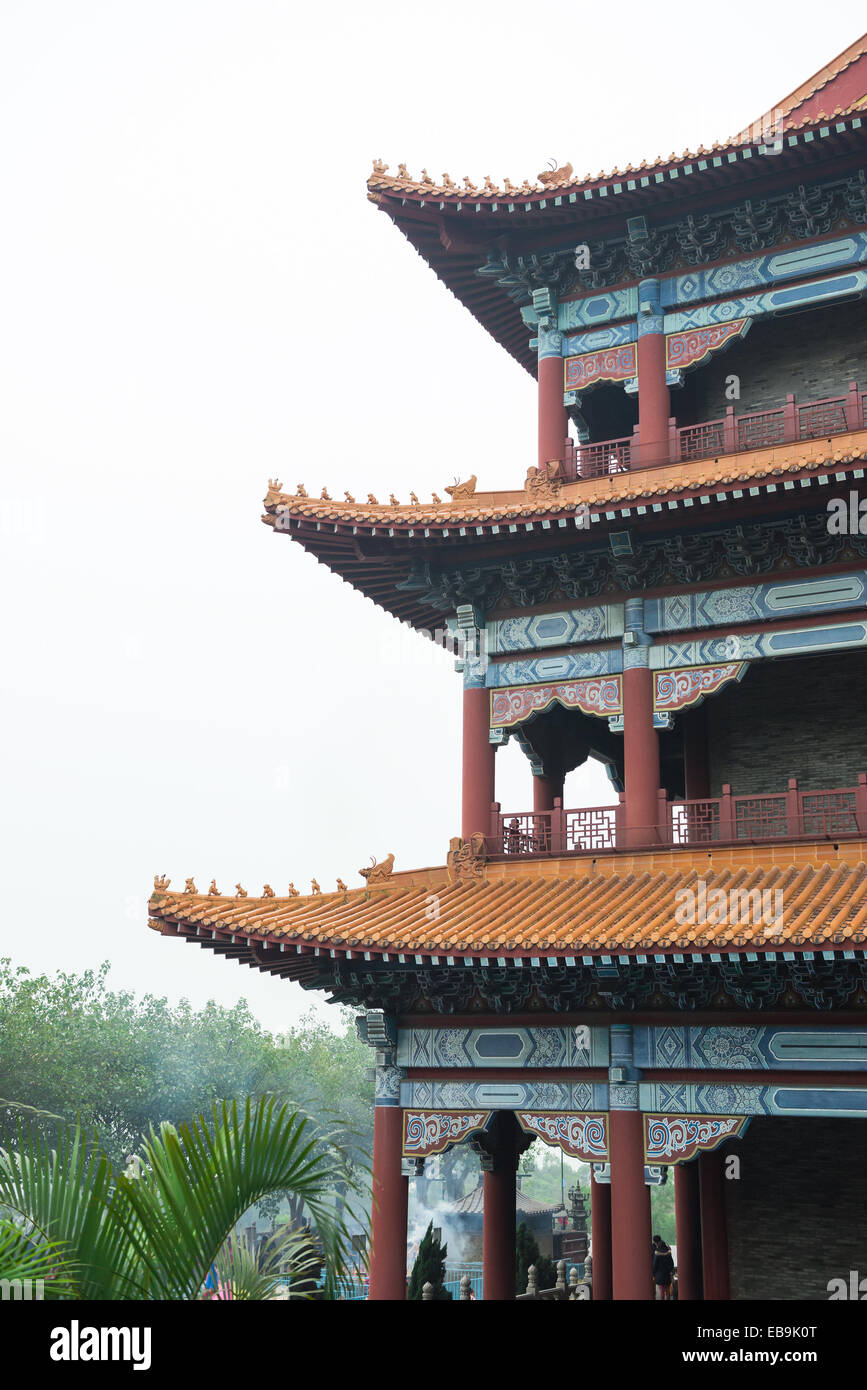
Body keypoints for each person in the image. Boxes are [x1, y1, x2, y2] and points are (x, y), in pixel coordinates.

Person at [652, 1234, 674, 1301]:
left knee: (661, 1291)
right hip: (667, 1274)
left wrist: (653, 1274)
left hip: (659, 1275)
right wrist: (670, 1271)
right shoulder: (668, 1253)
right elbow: (672, 1264)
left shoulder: (657, 1253)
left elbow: (655, 1265)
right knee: (667, 1291)